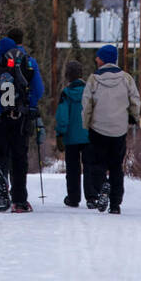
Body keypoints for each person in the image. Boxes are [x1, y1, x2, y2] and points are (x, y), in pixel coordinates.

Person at [0, 30, 44, 212]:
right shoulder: (29, 61)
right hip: (21, 117)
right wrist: (31, 106)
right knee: (19, 157)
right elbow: (39, 90)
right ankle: (19, 200)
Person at [81, 45, 141, 214]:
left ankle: (102, 187)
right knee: (116, 166)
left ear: (103, 59)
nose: (96, 59)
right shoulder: (127, 79)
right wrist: (133, 118)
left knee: (97, 164)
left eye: (98, 57)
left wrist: (86, 124)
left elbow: (86, 105)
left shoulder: (93, 80)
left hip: (98, 128)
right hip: (119, 130)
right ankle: (115, 204)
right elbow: (135, 101)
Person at [56, 59, 95, 208]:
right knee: (90, 166)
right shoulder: (90, 91)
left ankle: (73, 198)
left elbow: (62, 116)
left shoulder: (65, 93)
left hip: (71, 137)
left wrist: (60, 133)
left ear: (68, 75)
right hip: (88, 135)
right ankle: (91, 197)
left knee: (72, 168)